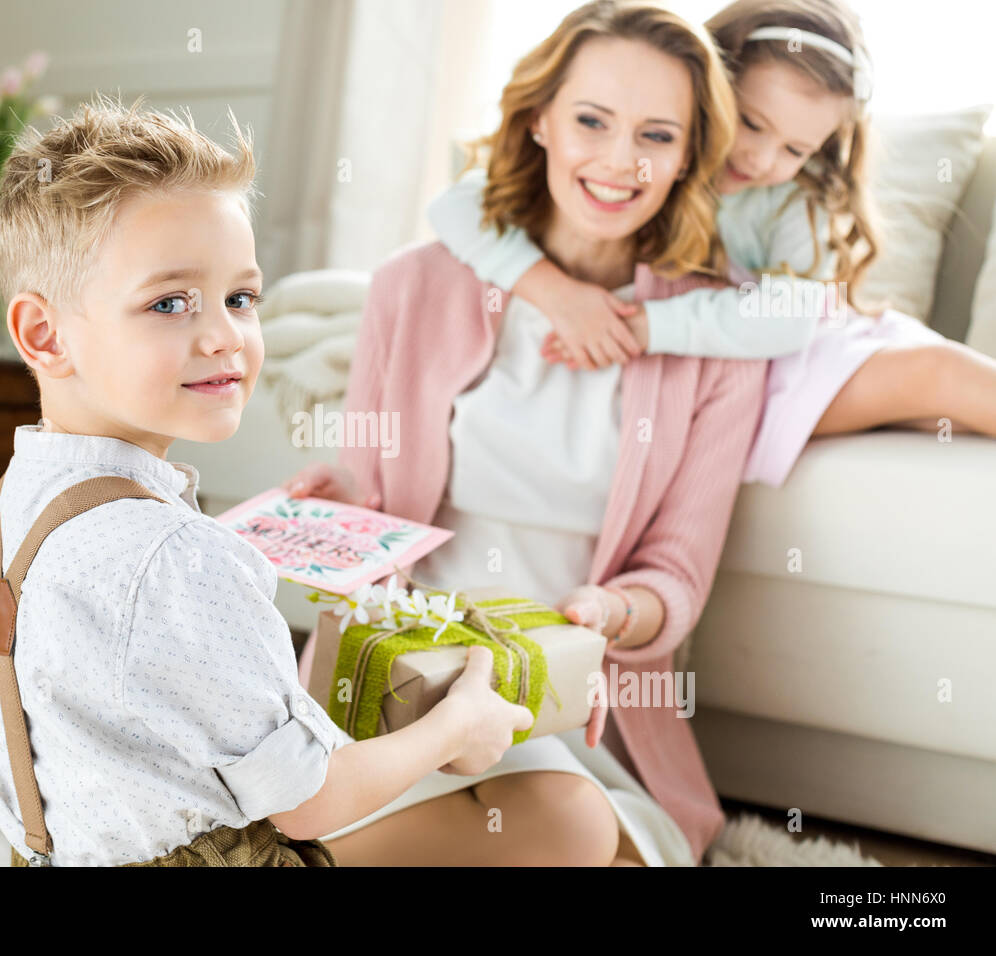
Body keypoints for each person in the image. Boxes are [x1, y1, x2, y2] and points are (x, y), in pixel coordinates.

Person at [0, 94, 533, 867]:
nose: (225, 335)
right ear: (45, 334)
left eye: (241, 297)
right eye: (169, 303)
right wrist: (454, 730)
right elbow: (307, 806)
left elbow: (165, 683)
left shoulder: (7, 509)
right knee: (559, 816)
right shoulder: (179, 558)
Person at [287, 0, 764, 866]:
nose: (620, 162)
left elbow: (677, 574)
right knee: (543, 832)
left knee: (576, 823)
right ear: (539, 119)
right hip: (404, 684)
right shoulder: (413, 284)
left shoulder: (716, 337)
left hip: (569, 708)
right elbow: (370, 486)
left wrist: (616, 611)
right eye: (591, 121)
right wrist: (334, 509)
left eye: (657, 136)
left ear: (691, 151)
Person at [428, 0, 996, 488]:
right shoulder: (645, 160)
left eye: (795, 149)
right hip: (738, 356)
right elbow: (455, 205)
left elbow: (791, 318)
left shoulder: (796, 198)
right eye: (750, 123)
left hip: (796, 342)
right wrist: (553, 292)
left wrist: (645, 326)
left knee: (947, 382)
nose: (763, 159)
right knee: (942, 386)